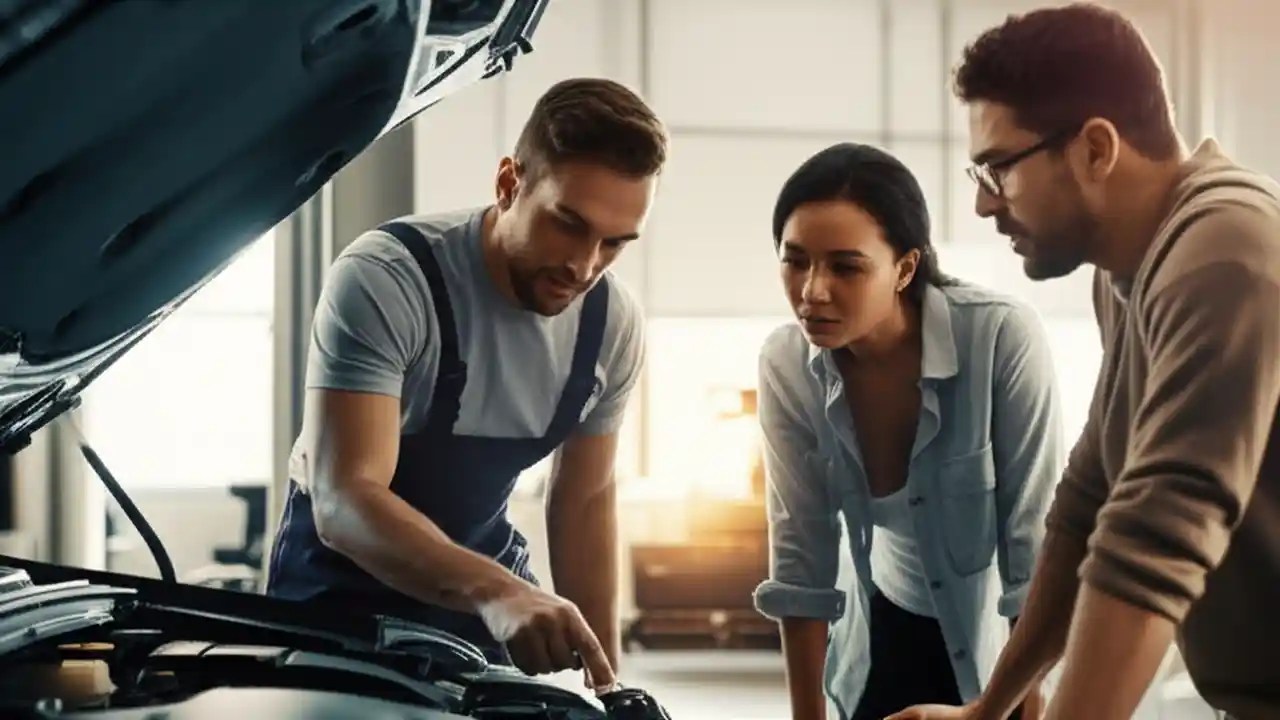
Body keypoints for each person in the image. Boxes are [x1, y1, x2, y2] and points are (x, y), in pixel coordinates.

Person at [888, 5, 1280, 720]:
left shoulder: (1224, 249)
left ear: (1096, 149)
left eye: (998, 169)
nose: (981, 205)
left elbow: (1155, 534)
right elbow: (1092, 493)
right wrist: (991, 709)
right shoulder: (1128, 270)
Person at [264, 77, 667, 691]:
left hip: (483, 597)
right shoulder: (387, 278)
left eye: (614, 243)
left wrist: (610, 685)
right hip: (337, 593)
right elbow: (344, 499)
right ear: (509, 183)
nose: (585, 265)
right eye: (567, 223)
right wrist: (500, 592)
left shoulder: (611, 322)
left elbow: (584, 501)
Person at [752, 142, 1064, 720]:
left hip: (998, 648)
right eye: (795, 261)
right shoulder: (788, 364)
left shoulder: (999, 338)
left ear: (905, 268)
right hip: (881, 629)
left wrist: (1014, 710)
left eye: (846, 267)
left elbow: (1033, 551)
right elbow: (801, 559)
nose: (812, 291)